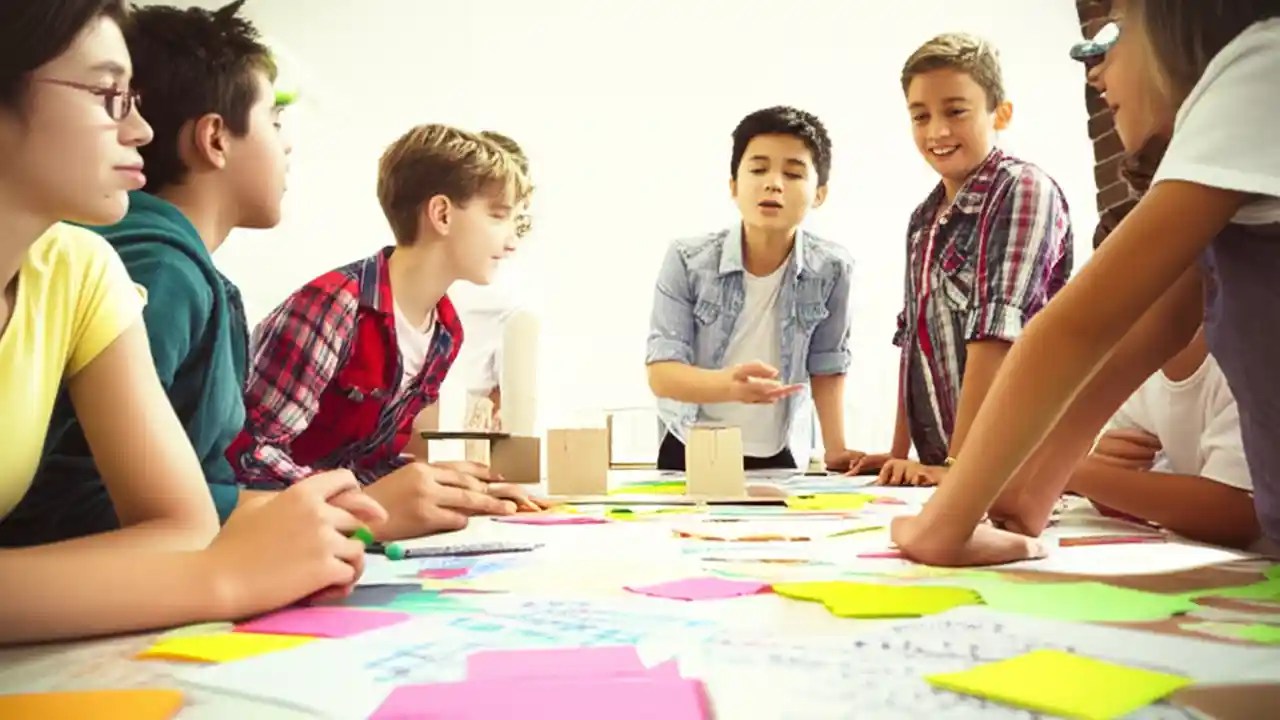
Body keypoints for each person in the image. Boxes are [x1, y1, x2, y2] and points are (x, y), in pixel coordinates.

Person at [0, 0, 382, 644]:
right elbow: (146, 532)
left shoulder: (81, 270)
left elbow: (181, 525)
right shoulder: (161, 266)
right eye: (108, 95)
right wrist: (221, 580)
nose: (141, 130)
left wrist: (225, 558)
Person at [892, 0, 1280, 566]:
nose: (1094, 72)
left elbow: (1078, 328)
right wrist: (1032, 490)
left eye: (1113, 36)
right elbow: (1140, 335)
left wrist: (946, 520)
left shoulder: (1260, 68)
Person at [230, 124, 545, 541]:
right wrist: (362, 506)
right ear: (442, 214)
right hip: (269, 536)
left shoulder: (445, 331)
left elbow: (366, 464)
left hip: (338, 533)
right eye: (498, 216)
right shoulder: (333, 307)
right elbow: (250, 456)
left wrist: (453, 486)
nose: (511, 243)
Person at [852, 33, 1073, 488]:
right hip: (944, 468)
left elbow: (997, 334)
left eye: (956, 111)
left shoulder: (1022, 190)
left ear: (1001, 113)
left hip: (1016, 468)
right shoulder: (922, 219)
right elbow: (912, 340)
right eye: (921, 116)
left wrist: (958, 467)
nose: (937, 131)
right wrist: (899, 455)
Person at [646, 106, 856, 472]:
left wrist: (837, 450)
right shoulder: (687, 259)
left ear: (819, 193)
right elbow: (662, 373)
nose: (773, 183)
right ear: (733, 185)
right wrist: (730, 386)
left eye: (793, 173)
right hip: (691, 449)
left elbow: (828, 363)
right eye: (758, 170)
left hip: (778, 452)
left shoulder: (833, 267)